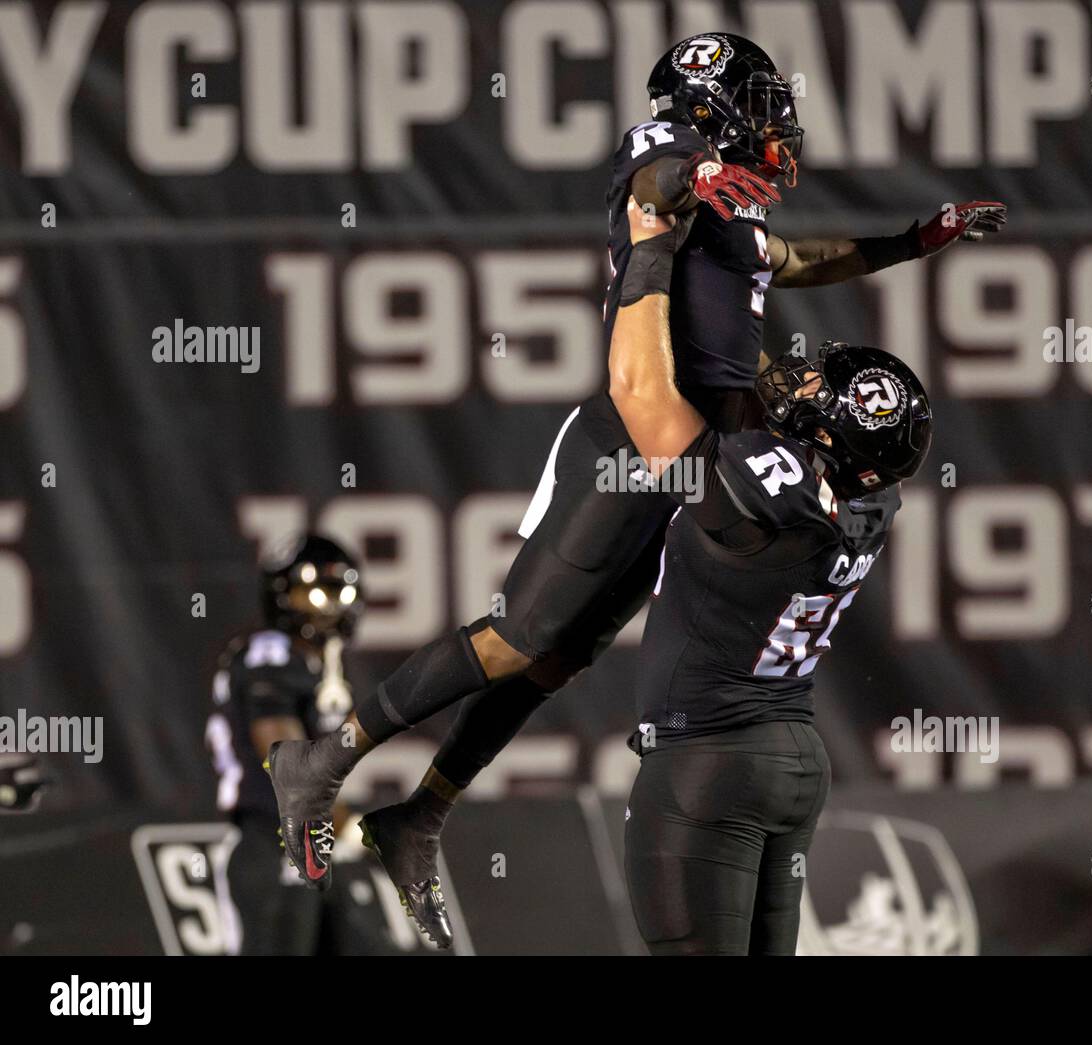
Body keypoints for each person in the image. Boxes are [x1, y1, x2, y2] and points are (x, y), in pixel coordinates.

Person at [264, 33, 1000, 947]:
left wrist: (908, 242)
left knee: (560, 656)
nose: (777, 121)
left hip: (696, 447)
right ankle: (322, 760)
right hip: (638, 435)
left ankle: (421, 814)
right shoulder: (669, 150)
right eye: (759, 101)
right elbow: (652, 188)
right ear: (709, 100)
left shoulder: (733, 201)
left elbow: (791, 262)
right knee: (517, 633)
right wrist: (691, 184)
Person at [609, 199, 932, 953]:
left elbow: (639, 393)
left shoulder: (765, 487)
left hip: (710, 763)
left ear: (826, 436)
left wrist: (652, 253)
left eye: (821, 390)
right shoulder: (874, 493)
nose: (804, 381)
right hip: (788, 752)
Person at [205, 534, 362, 955]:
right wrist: (357, 829)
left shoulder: (318, 665)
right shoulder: (269, 655)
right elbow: (292, 767)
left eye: (335, 592)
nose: (327, 605)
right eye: (311, 591)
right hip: (272, 843)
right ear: (282, 595)